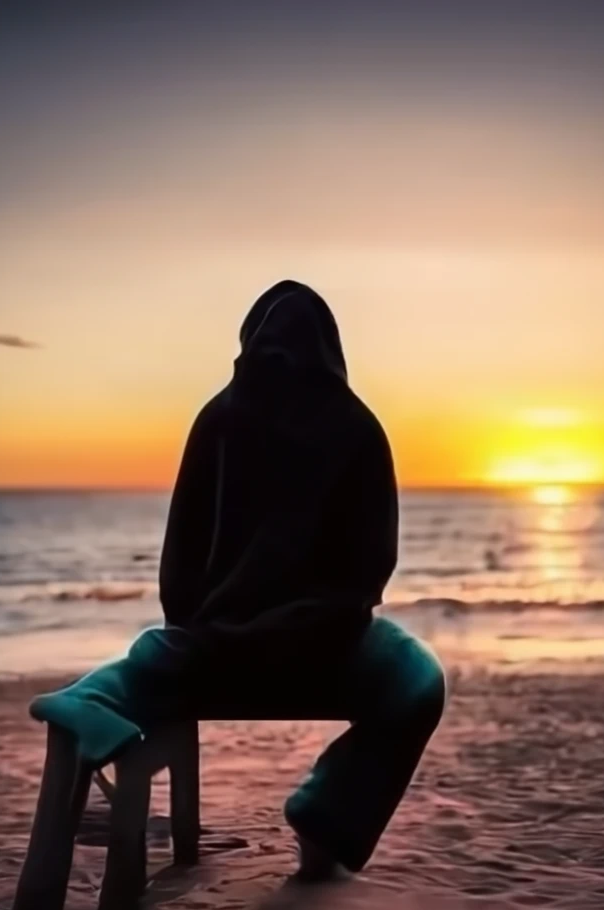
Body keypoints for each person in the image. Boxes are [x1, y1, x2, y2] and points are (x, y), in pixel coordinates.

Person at [31, 280, 446, 878]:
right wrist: (312, 622)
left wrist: (198, 628)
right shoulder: (357, 427)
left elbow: (179, 558)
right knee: (420, 683)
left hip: (220, 647)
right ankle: (324, 819)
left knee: (153, 655)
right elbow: (371, 567)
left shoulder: (218, 418)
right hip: (325, 650)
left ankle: (88, 699)